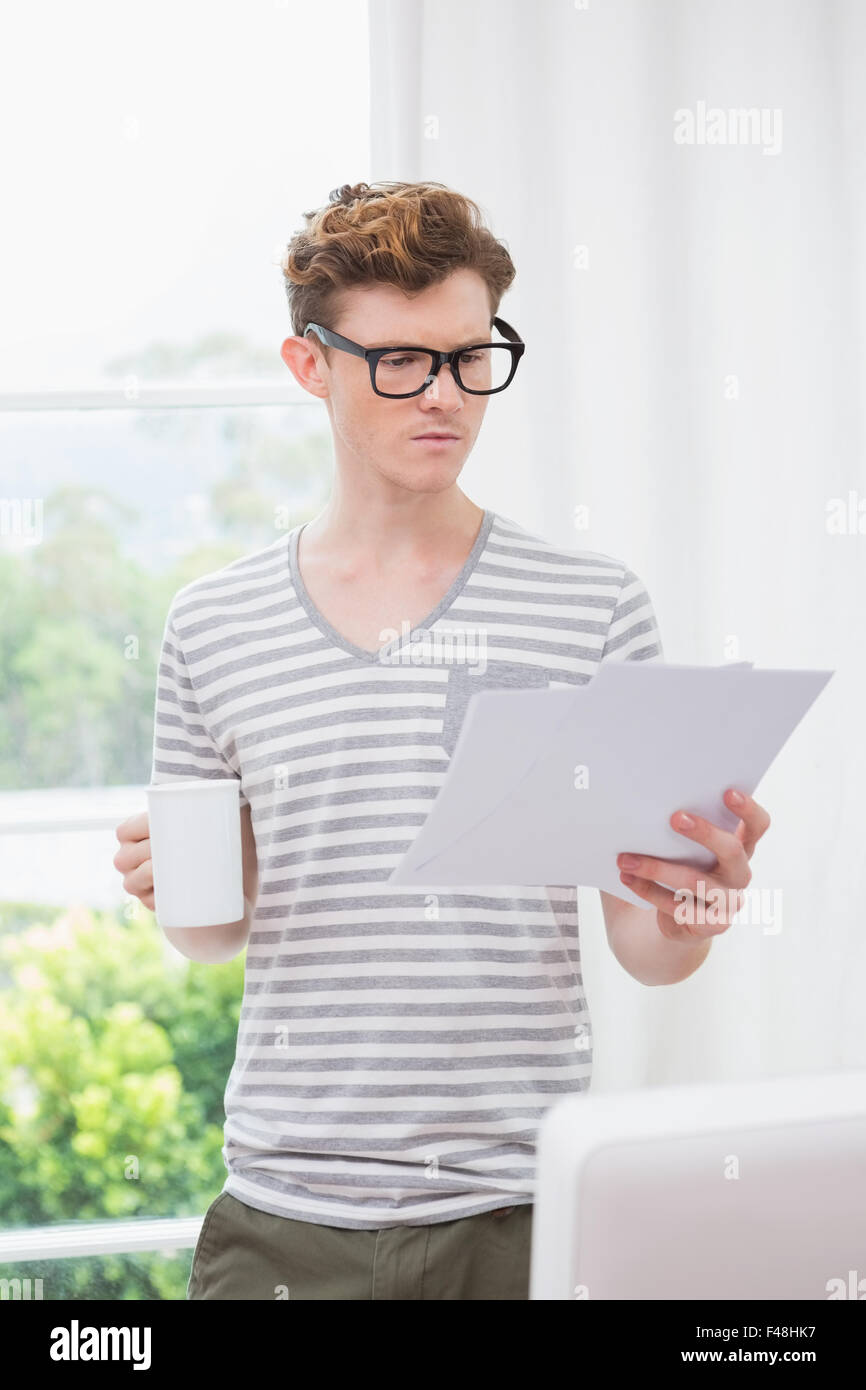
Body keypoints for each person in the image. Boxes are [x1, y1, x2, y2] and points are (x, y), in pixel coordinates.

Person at [113, 179, 770, 1300]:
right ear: (308, 365)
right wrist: (189, 883)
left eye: (472, 356)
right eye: (400, 361)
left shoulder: (592, 606)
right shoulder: (211, 624)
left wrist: (693, 901)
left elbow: (646, 951)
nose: (446, 396)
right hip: (285, 1217)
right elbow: (211, 938)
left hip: (517, 1213)